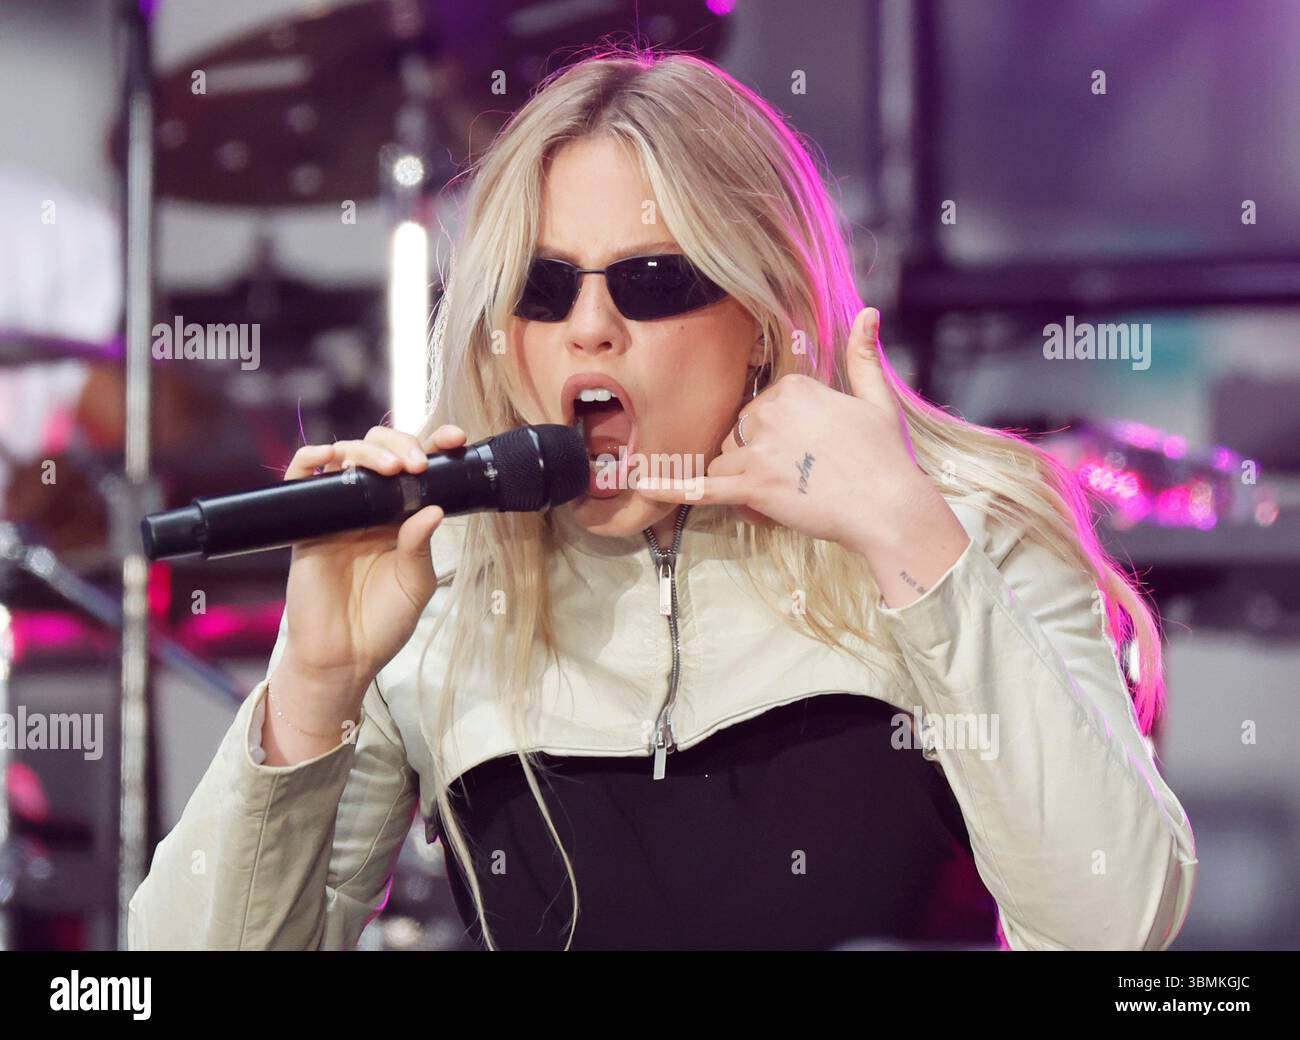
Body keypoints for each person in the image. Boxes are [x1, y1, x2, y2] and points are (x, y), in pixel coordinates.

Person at [128, 47, 1197, 951]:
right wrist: (311, 690)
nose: (588, 327)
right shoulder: (451, 578)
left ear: (766, 313)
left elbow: (1113, 926)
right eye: (544, 290)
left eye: (648, 281)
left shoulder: (961, 521)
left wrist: (911, 538)